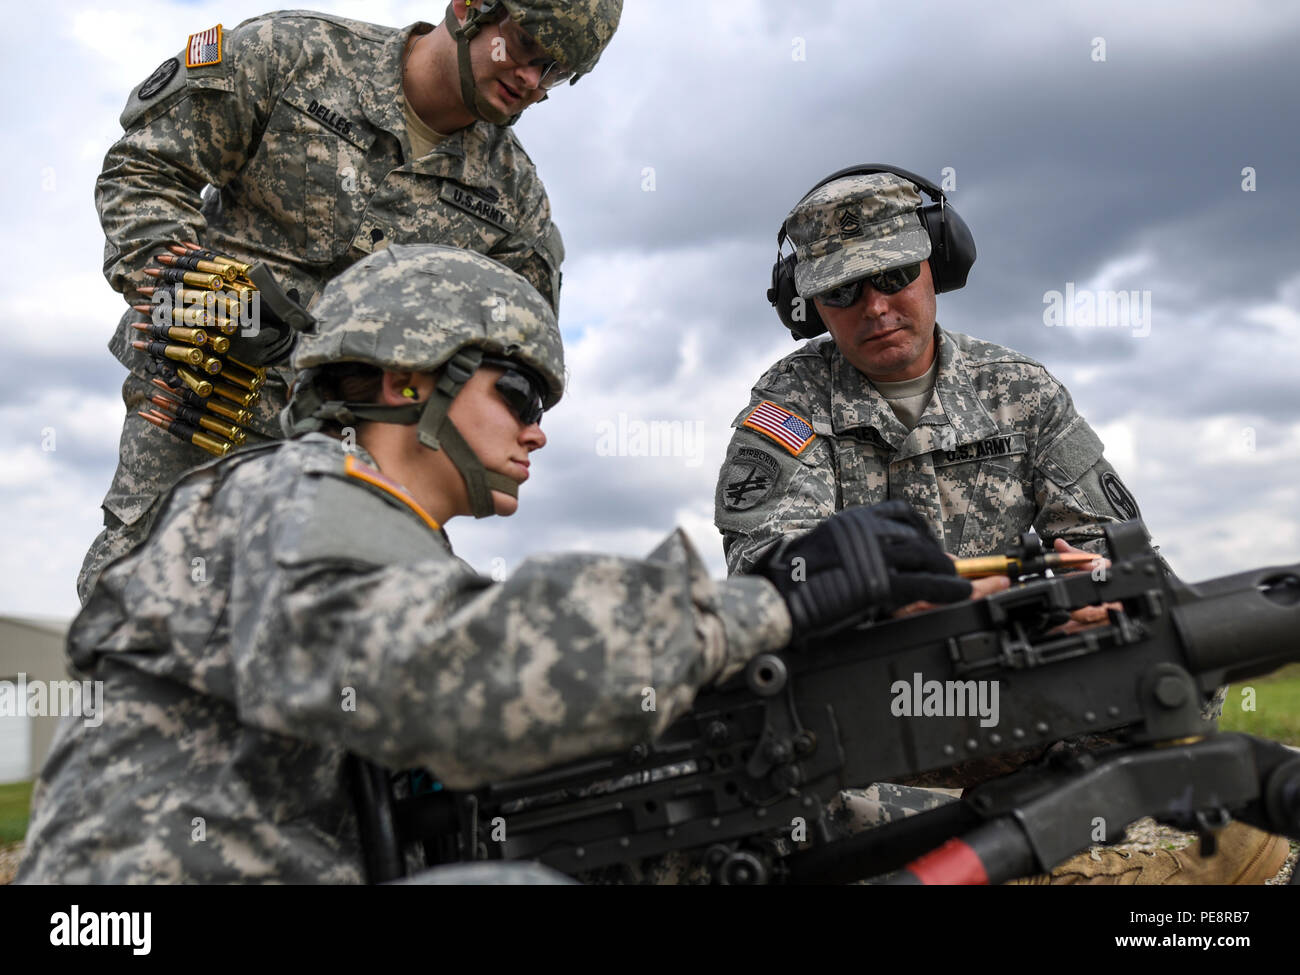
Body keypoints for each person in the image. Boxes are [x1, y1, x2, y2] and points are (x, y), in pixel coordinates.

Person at [18, 244, 971, 884]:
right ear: (406, 378)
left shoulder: (385, 541)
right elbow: (463, 682)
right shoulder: (292, 495)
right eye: (517, 391)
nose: (536, 430)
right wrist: (764, 602)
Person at [714, 166, 1289, 884]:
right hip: (880, 713)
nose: (877, 306)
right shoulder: (786, 410)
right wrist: (911, 602)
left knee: (1162, 650)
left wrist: (1095, 587)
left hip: (1022, 697)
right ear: (808, 307)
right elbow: (772, 575)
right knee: (785, 814)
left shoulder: (1021, 390)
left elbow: (1108, 544)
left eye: (894, 274)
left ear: (937, 264)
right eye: (842, 291)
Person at [77, 0, 622, 602]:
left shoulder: (515, 202)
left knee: (356, 648)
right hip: (205, 410)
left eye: (554, 71)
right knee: (144, 614)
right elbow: (145, 169)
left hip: (364, 459)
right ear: (469, 9)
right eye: (523, 47)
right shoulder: (293, 55)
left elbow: (516, 358)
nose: (530, 81)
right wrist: (200, 293)